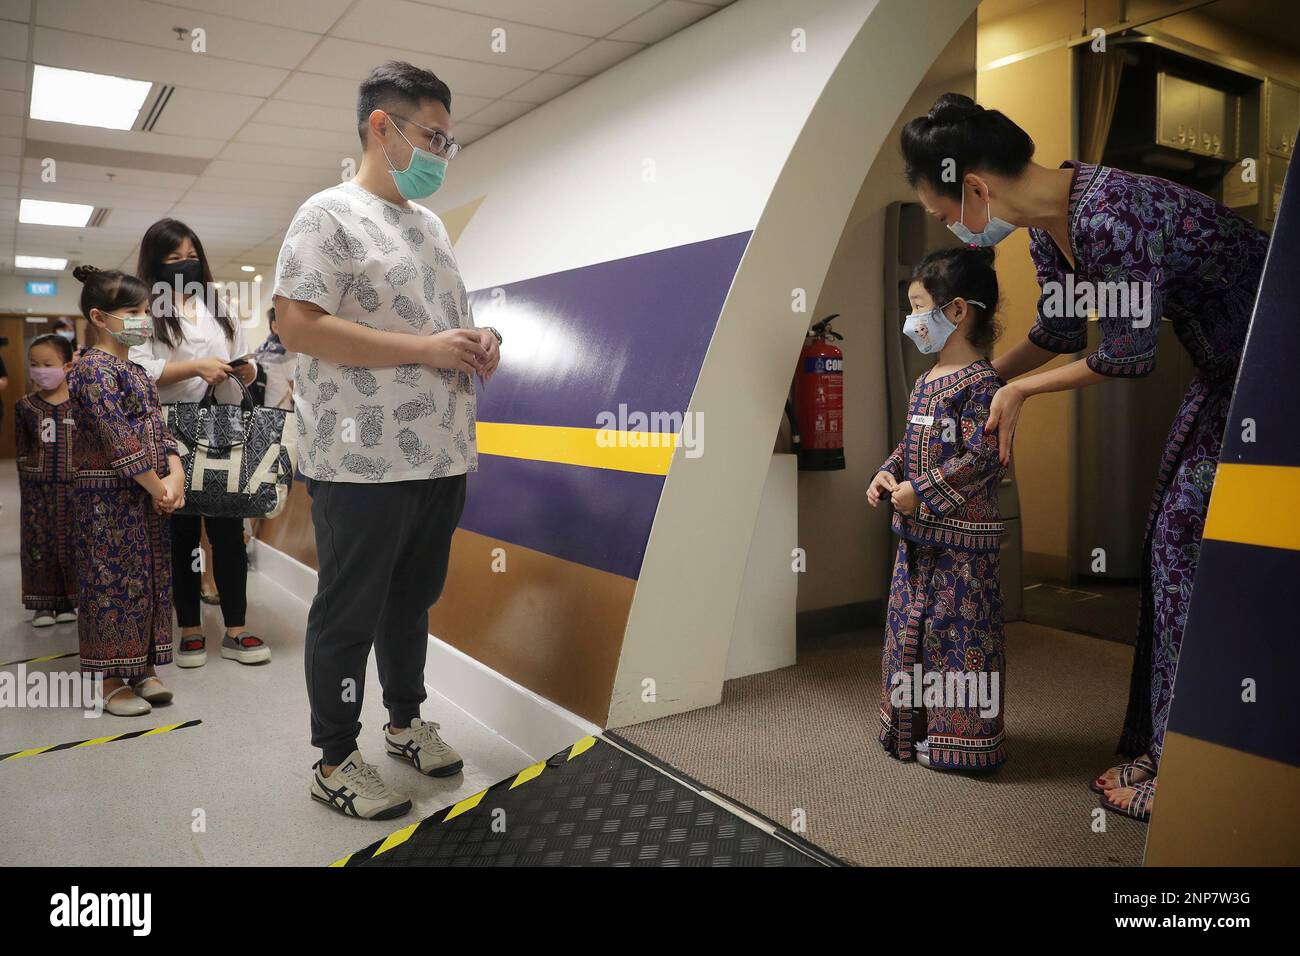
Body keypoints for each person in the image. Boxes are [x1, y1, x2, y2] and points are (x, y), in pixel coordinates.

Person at [901, 93, 1269, 820]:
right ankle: (1169, 745)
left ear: (976, 189)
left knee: (1180, 545)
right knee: (1169, 540)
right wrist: (983, 381)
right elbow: (1063, 333)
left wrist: (1017, 395)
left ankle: (1186, 769)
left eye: (947, 217)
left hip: (1272, 374)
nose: (955, 232)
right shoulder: (1051, 228)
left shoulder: (1111, 214)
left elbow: (1126, 356)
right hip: (1226, 375)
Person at [274, 60, 501, 820]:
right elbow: (296, 324)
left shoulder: (429, 226)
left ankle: (405, 721)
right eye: (432, 136)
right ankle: (336, 758)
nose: (440, 151)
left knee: (413, 601)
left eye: (447, 140)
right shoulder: (326, 216)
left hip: (439, 452)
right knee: (349, 610)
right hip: (360, 460)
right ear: (383, 127)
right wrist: (427, 351)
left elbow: (435, 322)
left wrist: (476, 340)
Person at [869, 247, 1007, 773]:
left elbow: (986, 455)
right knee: (910, 629)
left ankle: (964, 744)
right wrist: (888, 473)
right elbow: (909, 445)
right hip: (915, 540)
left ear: (956, 312)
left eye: (918, 306)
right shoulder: (926, 380)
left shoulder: (983, 385)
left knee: (960, 636)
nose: (911, 321)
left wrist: (922, 492)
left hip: (962, 547)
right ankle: (908, 729)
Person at [132, 218, 267, 669]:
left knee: (228, 531)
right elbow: (141, 372)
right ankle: (189, 628)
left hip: (224, 425)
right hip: (172, 430)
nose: (184, 264)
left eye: (190, 255)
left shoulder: (220, 304)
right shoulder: (144, 310)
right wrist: (195, 368)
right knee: (183, 533)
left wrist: (244, 371)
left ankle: (236, 627)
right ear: (155, 263)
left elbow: (242, 358)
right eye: (173, 258)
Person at [66, 265, 185, 717]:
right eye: (132, 311)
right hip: (109, 501)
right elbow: (117, 436)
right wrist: (158, 485)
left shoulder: (134, 369)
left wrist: (174, 475)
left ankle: (142, 666)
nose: (143, 319)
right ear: (99, 316)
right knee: (109, 585)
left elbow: (159, 428)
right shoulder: (91, 371)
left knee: (148, 582)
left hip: (147, 494)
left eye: (144, 310)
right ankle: (108, 678)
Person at [15, 334, 78, 627]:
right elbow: (22, 448)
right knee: (39, 545)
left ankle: (68, 600)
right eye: (34, 364)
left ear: (66, 366)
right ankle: (42, 604)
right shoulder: (25, 406)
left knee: (72, 543)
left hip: (73, 488)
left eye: (47, 364)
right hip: (37, 490)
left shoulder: (79, 404)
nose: (40, 370)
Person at [253, 307, 296, 411]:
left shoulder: (259, 350)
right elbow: (296, 388)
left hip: (259, 409)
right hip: (279, 411)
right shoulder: (285, 352)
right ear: (275, 326)